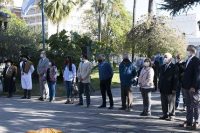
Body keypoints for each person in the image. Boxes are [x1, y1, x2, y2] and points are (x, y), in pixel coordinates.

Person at [180, 45, 200, 130]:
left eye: (188, 50)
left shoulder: (196, 60)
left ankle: (196, 121)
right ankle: (189, 121)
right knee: (188, 104)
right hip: (186, 86)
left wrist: (194, 86)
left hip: (193, 87)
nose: (187, 51)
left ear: (192, 51)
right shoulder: (188, 60)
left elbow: (197, 75)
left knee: (195, 105)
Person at [158, 53, 178, 121]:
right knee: (163, 102)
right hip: (163, 87)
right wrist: (159, 86)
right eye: (164, 57)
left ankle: (172, 115)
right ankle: (165, 114)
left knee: (171, 103)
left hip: (170, 88)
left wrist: (174, 88)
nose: (164, 58)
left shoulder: (174, 67)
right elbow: (160, 77)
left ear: (170, 58)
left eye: (166, 57)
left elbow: (176, 79)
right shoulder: (162, 66)